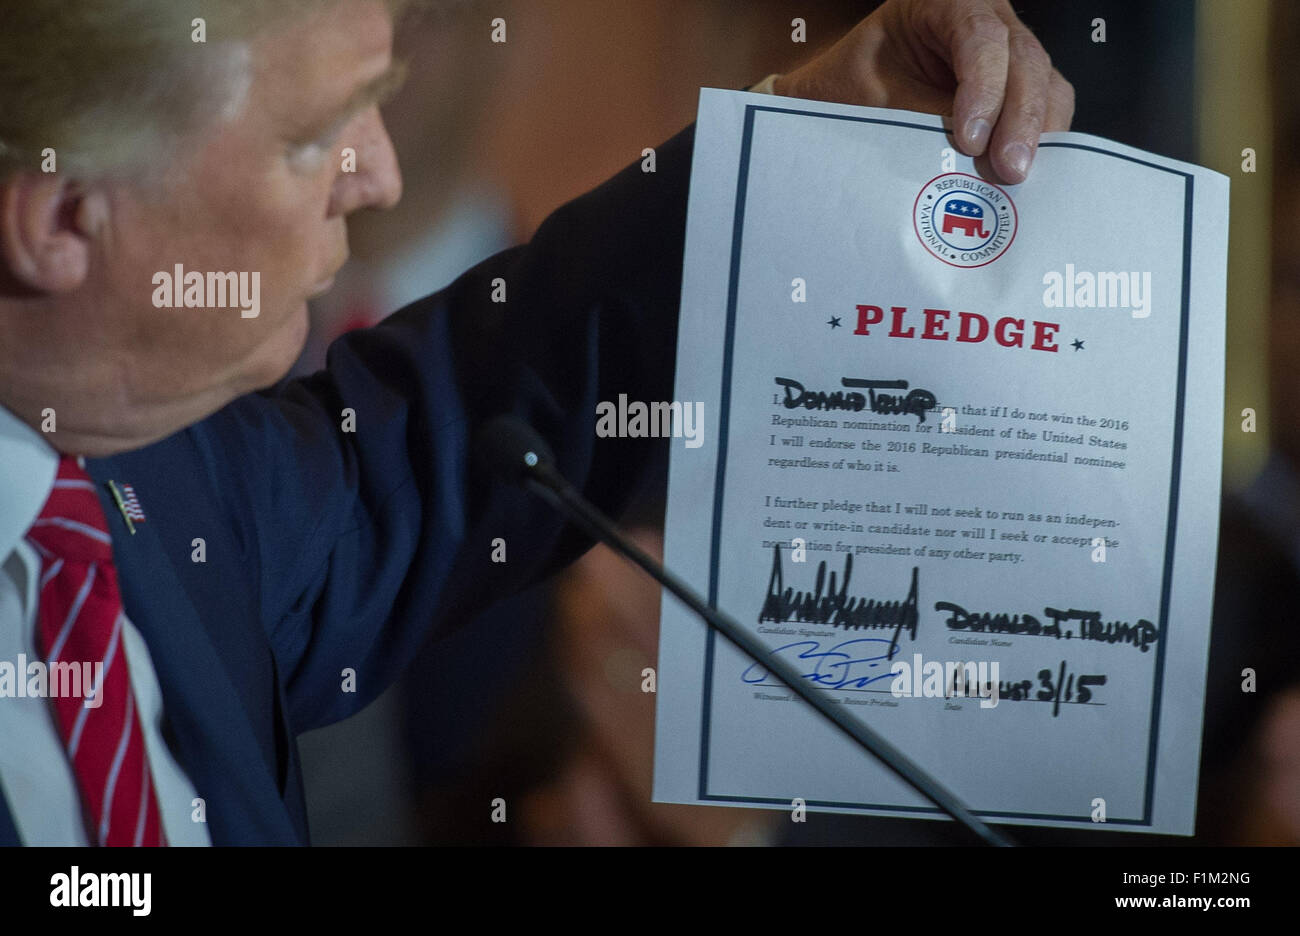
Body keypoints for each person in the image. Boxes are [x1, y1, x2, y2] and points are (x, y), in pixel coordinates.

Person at [0, 0, 1071, 845]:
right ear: (61, 220)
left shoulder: (162, 486)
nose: (376, 173)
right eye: (316, 133)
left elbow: (452, 421)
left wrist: (788, 159)